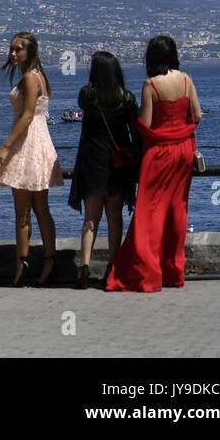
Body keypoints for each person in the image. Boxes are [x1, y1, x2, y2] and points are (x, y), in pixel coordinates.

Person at [106, 35, 203, 293]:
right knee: (177, 209)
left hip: (159, 153)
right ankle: (173, 271)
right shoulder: (186, 79)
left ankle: (147, 275)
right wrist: (181, 130)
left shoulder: (151, 85)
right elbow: (197, 114)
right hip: (183, 150)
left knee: (150, 211)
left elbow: (145, 125)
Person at [0, 32, 63, 286]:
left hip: (28, 144)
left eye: (18, 49)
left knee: (25, 211)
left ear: (30, 52)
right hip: (38, 142)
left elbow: (27, 115)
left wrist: (5, 147)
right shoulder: (36, 77)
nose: (13, 53)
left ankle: (25, 265)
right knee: (40, 209)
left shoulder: (31, 78)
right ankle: (44, 262)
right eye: (12, 49)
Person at [68, 51, 141, 289]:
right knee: (114, 217)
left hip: (92, 161)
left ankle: (85, 267)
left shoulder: (87, 95)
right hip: (118, 163)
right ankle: (113, 265)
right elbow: (135, 131)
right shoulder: (127, 98)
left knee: (91, 218)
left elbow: (83, 111)